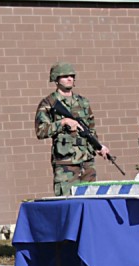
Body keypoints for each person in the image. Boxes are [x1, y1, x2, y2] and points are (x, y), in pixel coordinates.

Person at [35, 62, 110, 196]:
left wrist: (98, 146)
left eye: (72, 76)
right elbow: (41, 131)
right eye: (65, 76)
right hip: (66, 163)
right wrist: (62, 122)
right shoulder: (49, 103)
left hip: (87, 161)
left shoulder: (83, 102)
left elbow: (91, 129)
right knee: (67, 200)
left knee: (91, 199)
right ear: (56, 79)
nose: (69, 79)